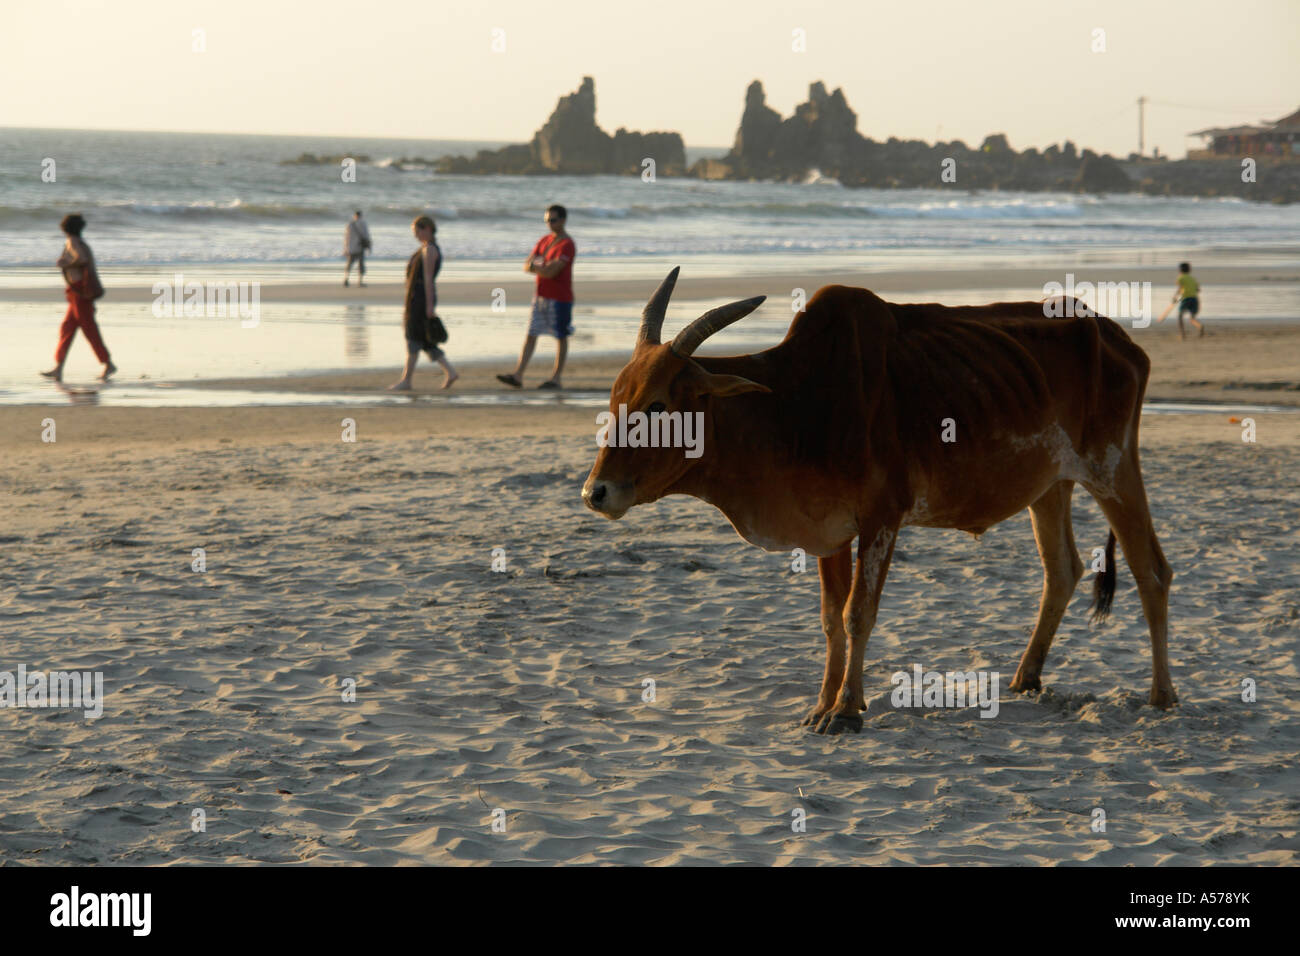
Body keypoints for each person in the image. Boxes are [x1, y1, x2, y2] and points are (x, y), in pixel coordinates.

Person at [496, 204, 575, 389]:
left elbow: (552, 271)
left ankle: (556, 378)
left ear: (563, 220)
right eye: (547, 220)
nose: (549, 224)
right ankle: (518, 375)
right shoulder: (545, 240)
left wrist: (539, 267)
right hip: (540, 295)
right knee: (531, 334)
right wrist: (540, 267)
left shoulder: (567, 244)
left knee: (561, 336)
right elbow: (528, 265)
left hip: (560, 297)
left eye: (553, 220)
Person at [41, 213, 115, 383]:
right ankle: (58, 368)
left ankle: (108, 363)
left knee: (89, 330)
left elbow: (81, 259)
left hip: (79, 292)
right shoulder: (80, 242)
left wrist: (65, 263)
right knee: (67, 328)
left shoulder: (72, 241)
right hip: (77, 292)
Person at [389, 215, 458, 391]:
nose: (416, 235)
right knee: (425, 340)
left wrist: (428, 306)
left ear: (427, 228)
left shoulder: (430, 250)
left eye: (417, 231)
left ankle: (406, 380)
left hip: (420, 299)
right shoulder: (427, 248)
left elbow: (428, 279)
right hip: (419, 297)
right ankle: (450, 372)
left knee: (413, 337)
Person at [1164, 262, 1205, 340]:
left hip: (1186, 299)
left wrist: (1175, 297)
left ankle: (1182, 335)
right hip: (1194, 299)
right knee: (1192, 318)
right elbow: (1198, 290)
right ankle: (1200, 326)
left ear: (1180, 270)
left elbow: (1180, 288)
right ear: (1189, 270)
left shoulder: (1181, 278)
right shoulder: (1193, 279)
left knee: (1180, 316)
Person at [343, 210, 371, 287]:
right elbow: (366, 236)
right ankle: (360, 282)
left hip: (351, 248)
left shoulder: (350, 224)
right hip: (360, 248)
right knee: (361, 265)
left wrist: (345, 249)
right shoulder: (363, 224)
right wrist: (369, 247)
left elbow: (346, 238)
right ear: (361, 216)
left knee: (349, 264)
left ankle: (346, 279)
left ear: (354, 215)